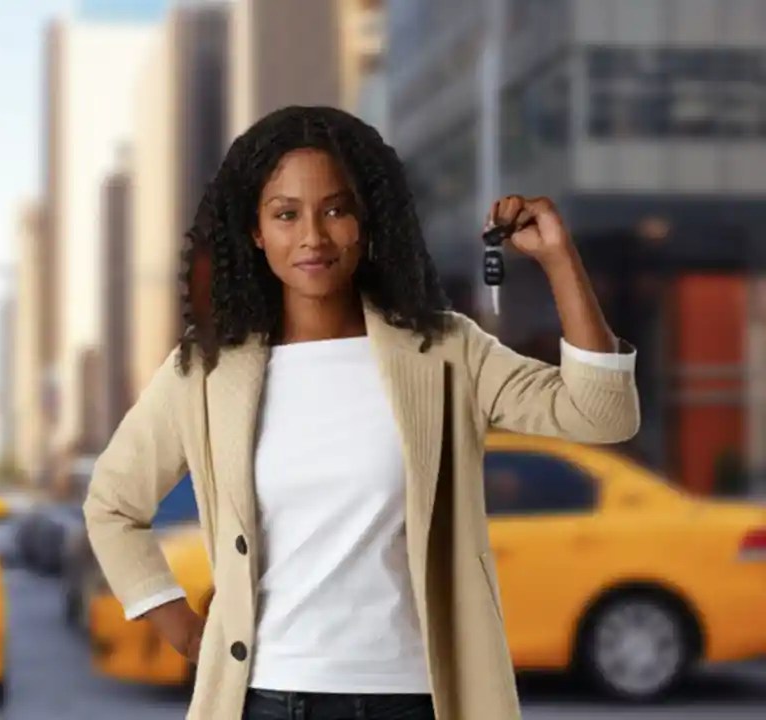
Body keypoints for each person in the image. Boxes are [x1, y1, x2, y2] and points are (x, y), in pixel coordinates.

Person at [83, 106, 639, 720]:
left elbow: (601, 415)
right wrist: (183, 630)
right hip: (267, 699)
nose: (313, 238)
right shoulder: (208, 368)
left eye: (336, 210)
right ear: (255, 232)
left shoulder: (443, 350)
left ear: (369, 222)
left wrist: (560, 259)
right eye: (286, 214)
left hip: (416, 697)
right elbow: (112, 503)